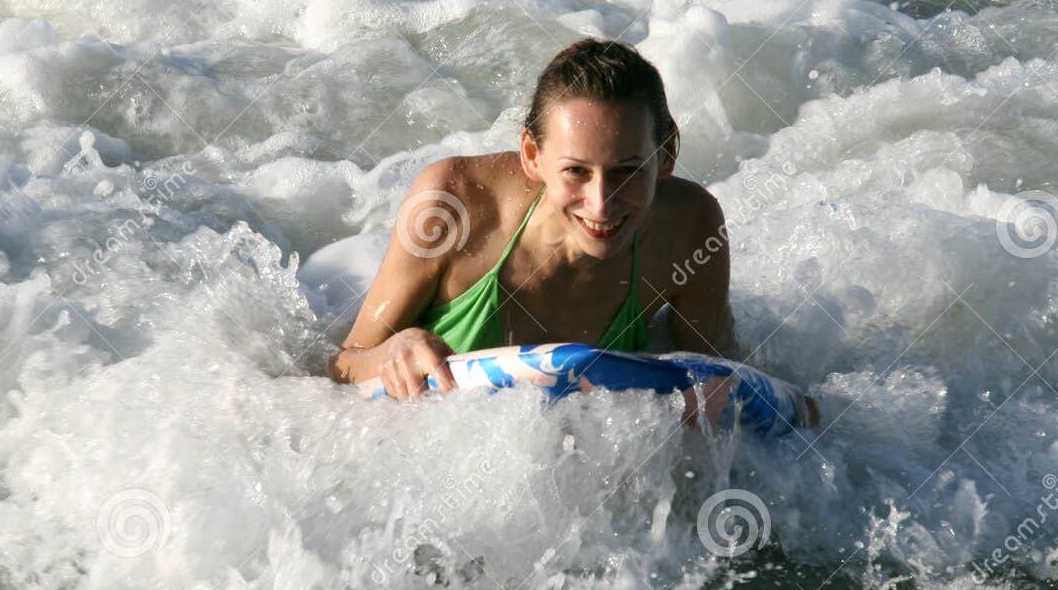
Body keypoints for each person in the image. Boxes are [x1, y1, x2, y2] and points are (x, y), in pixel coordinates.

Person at [330, 37, 818, 428]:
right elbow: (341, 367)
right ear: (532, 155)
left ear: (667, 154)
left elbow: (711, 381)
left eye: (627, 171)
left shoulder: (689, 228)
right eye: (575, 171)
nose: (602, 203)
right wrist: (393, 350)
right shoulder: (454, 204)